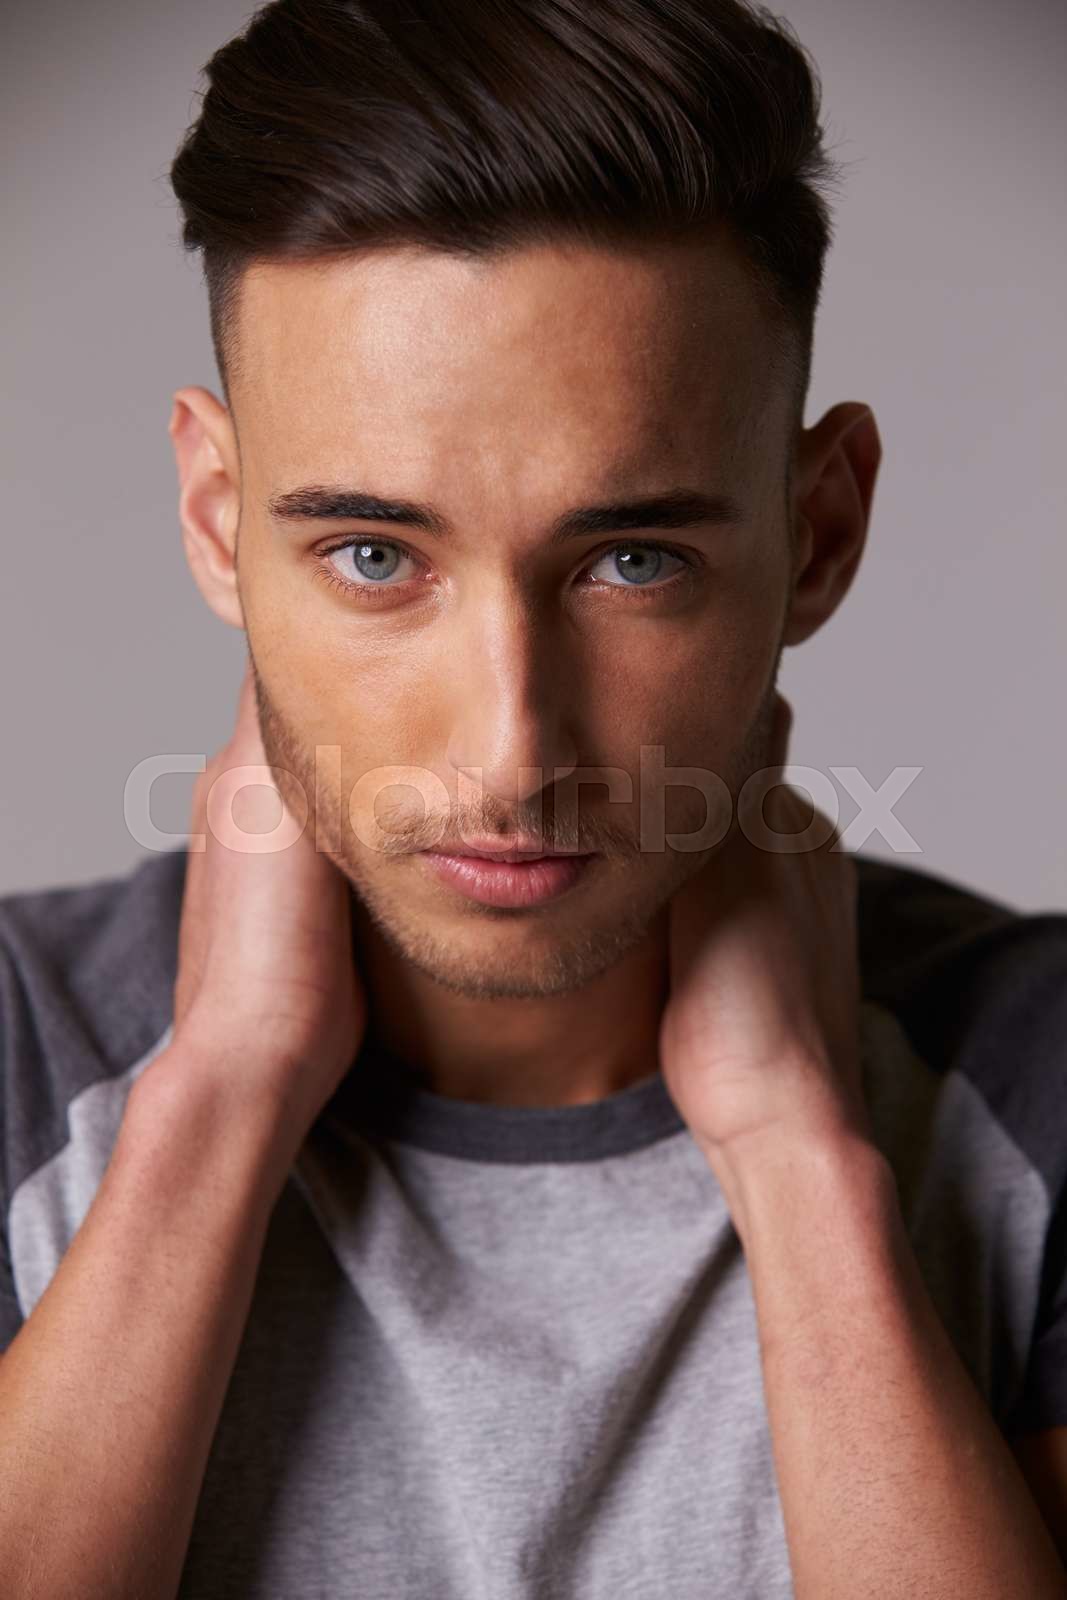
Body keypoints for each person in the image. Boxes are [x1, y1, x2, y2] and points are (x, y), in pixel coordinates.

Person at [1, 1, 1064, 1594]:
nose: (508, 754)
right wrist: (218, 1096)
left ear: (821, 533)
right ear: (220, 524)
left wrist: (798, 1148)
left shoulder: (1037, 1073)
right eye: (374, 557)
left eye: (634, 562)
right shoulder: (19, 1046)